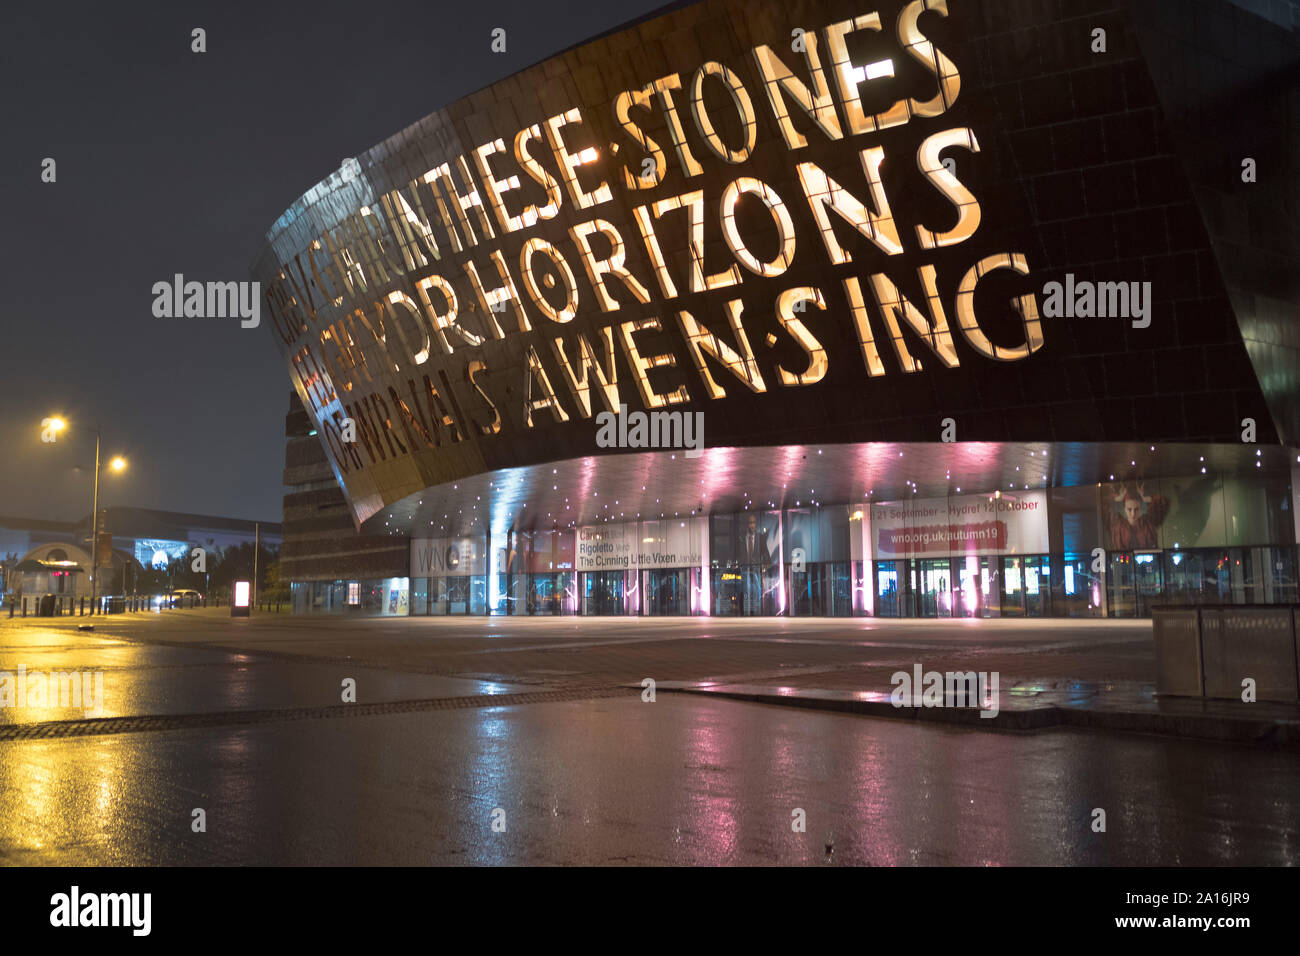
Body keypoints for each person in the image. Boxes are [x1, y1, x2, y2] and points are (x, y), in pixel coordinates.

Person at [1104, 483, 1168, 550]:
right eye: (1129, 509)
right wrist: (1117, 498)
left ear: (1140, 508)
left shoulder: (1148, 522)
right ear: (1124, 509)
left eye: (1136, 509)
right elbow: (1102, 504)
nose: (1133, 514)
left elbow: (1164, 502)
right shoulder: (1116, 524)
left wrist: (1145, 498)